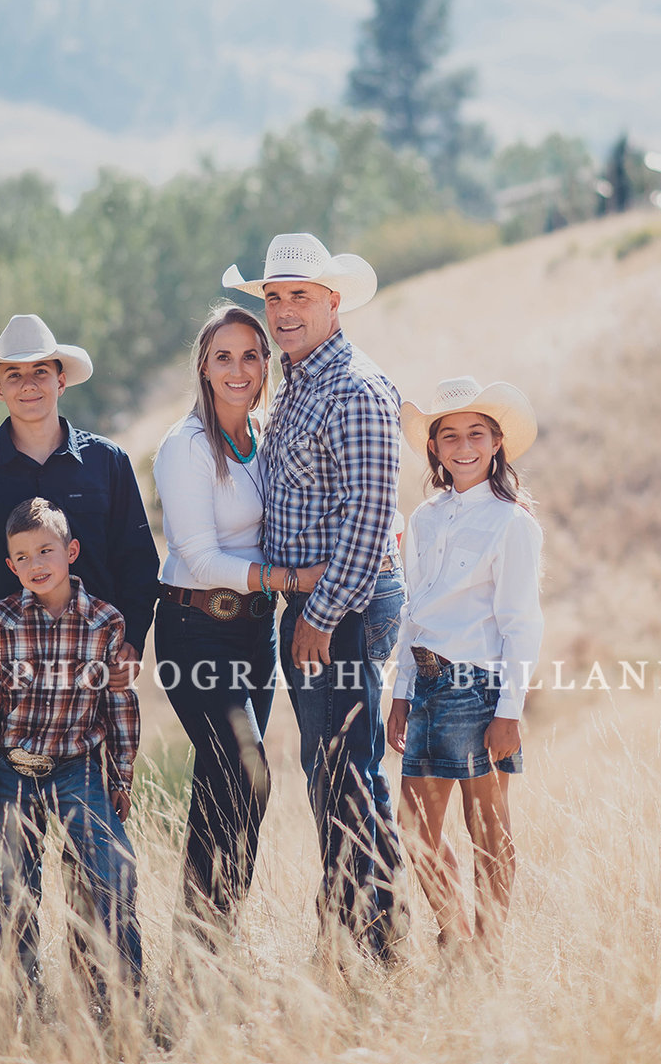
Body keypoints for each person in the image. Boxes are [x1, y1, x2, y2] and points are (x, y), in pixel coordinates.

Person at [222, 233, 407, 961]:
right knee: (332, 770)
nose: (283, 310)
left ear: (333, 301)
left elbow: (369, 518)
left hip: (342, 604)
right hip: (314, 603)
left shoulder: (355, 387)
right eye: (273, 297)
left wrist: (321, 617)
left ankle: (374, 945)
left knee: (345, 771)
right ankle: (353, 940)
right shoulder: (300, 378)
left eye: (299, 296)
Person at [152, 304, 325, 945]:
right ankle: (205, 946)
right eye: (223, 356)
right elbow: (197, 555)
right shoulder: (186, 445)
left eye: (251, 355)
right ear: (204, 365)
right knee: (248, 773)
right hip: (195, 628)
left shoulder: (263, 438)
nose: (238, 368)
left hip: (256, 635)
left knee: (224, 789)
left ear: (266, 365)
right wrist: (289, 580)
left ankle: (206, 953)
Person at [0, 497, 143, 1011]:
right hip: (11, 767)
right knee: (9, 881)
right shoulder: (2, 619)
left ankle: (119, 1001)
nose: (35, 564)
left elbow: (119, 703)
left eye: (46, 550)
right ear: (9, 566)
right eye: (22, 557)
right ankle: (15, 997)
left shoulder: (105, 621)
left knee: (113, 869)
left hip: (77, 767)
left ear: (72, 551)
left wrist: (123, 774)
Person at [385, 376, 543, 956]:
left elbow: (522, 623)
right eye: (449, 436)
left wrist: (510, 711)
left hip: (477, 684)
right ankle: (456, 936)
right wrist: (401, 692)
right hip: (426, 684)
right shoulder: (424, 518)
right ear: (435, 448)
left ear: (497, 442)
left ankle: (490, 951)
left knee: (487, 828)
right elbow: (411, 608)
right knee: (412, 828)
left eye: (476, 434)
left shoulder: (511, 523)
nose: (463, 446)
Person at [0, 314, 158, 683]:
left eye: (40, 371)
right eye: (14, 375)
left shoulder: (107, 461)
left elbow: (138, 561)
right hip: (10, 664)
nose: (28, 385)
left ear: (61, 381)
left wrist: (133, 638)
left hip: (99, 661)